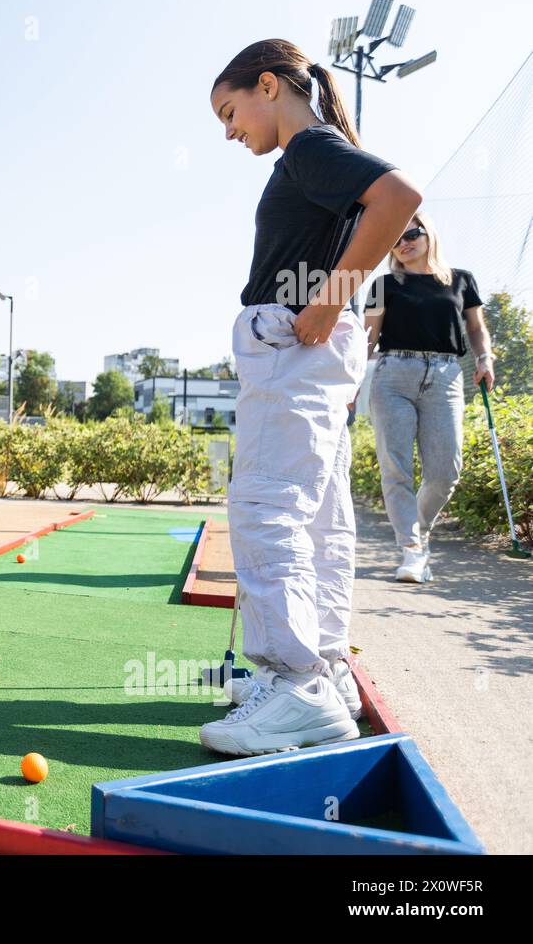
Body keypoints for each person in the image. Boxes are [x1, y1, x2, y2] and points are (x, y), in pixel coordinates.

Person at [203, 40, 423, 756]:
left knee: (267, 504)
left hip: (294, 344)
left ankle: (295, 683)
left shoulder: (308, 148)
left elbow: (399, 199)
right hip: (313, 349)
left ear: (269, 86)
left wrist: (328, 303)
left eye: (231, 112)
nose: (230, 132)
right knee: (320, 515)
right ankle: (324, 673)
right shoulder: (312, 153)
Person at [365, 212, 494, 582]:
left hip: (445, 376)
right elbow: (368, 338)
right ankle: (411, 550)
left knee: (445, 471)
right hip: (392, 375)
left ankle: (417, 531)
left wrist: (485, 359)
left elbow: (476, 328)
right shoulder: (382, 284)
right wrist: (349, 382)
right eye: (395, 238)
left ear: (427, 234)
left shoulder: (462, 280)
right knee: (396, 466)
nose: (403, 242)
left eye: (411, 234)